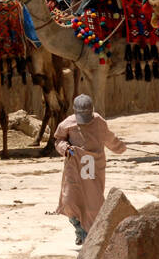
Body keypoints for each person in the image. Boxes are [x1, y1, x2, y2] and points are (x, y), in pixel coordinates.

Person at [54, 94, 127, 246]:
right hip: (74, 167)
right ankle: (80, 230)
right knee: (69, 202)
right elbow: (59, 140)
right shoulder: (68, 123)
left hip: (94, 168)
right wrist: (65, 149)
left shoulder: (98, 121)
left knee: (94, 204)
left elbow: (109, 138)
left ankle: (91, 235)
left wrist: (120, 147)